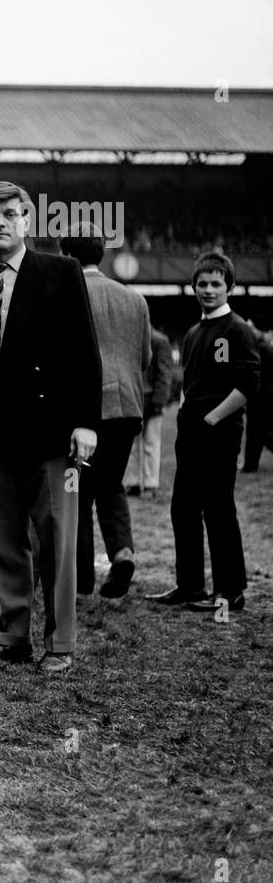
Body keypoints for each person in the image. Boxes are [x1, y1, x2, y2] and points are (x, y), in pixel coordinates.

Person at [0, 182, 100, 677]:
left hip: (48, 421)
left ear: (27, 222)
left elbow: (83, 350)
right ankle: (11, 636)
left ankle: (60, 643)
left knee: (55, 532)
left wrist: (86, 422)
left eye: (10, 214)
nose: (0, 222)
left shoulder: (60, 271)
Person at [147, 251, 260, 612]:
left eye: (216, 284)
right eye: (202, 283)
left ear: (229, 287)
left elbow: (248, 385)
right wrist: (186, 413)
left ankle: (230, 590)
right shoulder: (194, 332)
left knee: (218, 510)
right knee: (183, 509)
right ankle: (190, 585)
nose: (208, 290)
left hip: (220, 434)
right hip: (190, 433)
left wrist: (213, 418)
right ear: (194, 286)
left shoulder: (237, 329)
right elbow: (191, 383)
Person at [57, 223, 151, 600]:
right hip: (127, 407)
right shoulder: (135, 299)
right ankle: (122, 552)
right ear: (102, 253)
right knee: (111, 484)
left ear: (66, 254)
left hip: (84, 409)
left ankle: (81, 578)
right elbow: (144, 358)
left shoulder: (64, 292)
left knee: (76, 489)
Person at [126, 323, 175, 498]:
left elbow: (165, 373)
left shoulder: (159, 341)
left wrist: (159, 400)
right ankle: (132, 482)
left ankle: (150, 483)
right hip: (134, 398)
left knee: (151, 442)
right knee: (132, 444)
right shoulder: (132, 338)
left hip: (151, 399)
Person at [239, 323, 273, 473]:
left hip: (261, 396)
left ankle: (250, 465)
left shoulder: (260, 349)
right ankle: (250, 465)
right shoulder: (264, 348)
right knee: (259, 432)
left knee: (259, 432)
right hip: (263, 395)